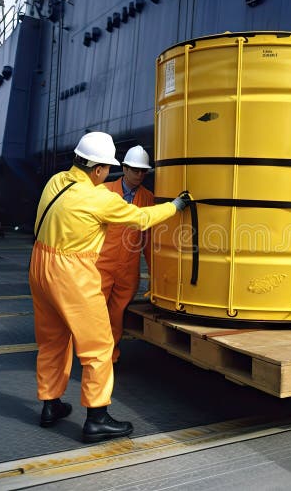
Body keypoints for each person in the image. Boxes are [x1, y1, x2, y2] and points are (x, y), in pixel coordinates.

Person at [29, 131, 191, 443]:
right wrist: (175, 206)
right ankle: (97, 418)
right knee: (99, 346)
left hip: (39, 263)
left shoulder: (56, 181)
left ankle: (50, 404)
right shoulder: (101, 197)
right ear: (100, 169)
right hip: (72, 271)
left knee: (52, 339)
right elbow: (142, 218)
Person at [96, 145, 154, 364]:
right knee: (96, 314)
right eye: (135, 170)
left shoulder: (147, 197)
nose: (139, 175)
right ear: (124, 168)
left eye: (143, 171)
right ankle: (94, 355)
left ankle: (109, 358)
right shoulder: (105, 191)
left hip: (128, 270)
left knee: (116, 315)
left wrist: (153, 273)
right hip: (101, 265)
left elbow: (148, 239)